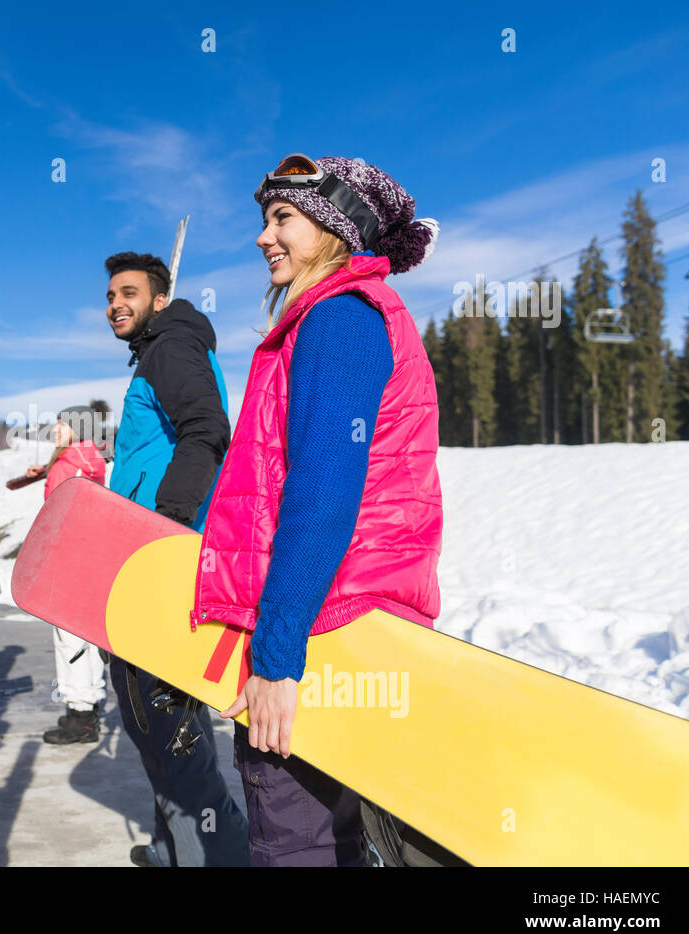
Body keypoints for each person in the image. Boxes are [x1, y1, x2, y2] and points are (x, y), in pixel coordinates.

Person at [192, 154, 451, 866]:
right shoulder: (340, 318)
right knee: (331, 837)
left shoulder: (338, 321)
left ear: (335, 231)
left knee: (295, 836)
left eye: (282, 218)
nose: (261, 237)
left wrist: (277, 659)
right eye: (264, 219)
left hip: (325, 627)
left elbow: (324, 498)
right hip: (335, 622)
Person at [104, 252, 250, 867]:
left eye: (129, 293)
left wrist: (164, 527)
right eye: (110, 295)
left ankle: (216, 855)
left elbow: (207, 430)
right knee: (148, 718)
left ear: (159, 300)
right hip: (147, 557)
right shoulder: (160, 352)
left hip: (162, 562)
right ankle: (173, 849)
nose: (116, 304)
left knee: (168, 721)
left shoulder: (170, 348)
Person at [20, 405, 108, 744]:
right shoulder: (86, 459)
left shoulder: (69, 464)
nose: (55, 429)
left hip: (69, 559)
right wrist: (45, 470)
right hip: (87, 559)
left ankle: (80, 716)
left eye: (63, 424)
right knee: (84, 636)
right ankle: (86, 710)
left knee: (69, 637)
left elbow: (64, 511)